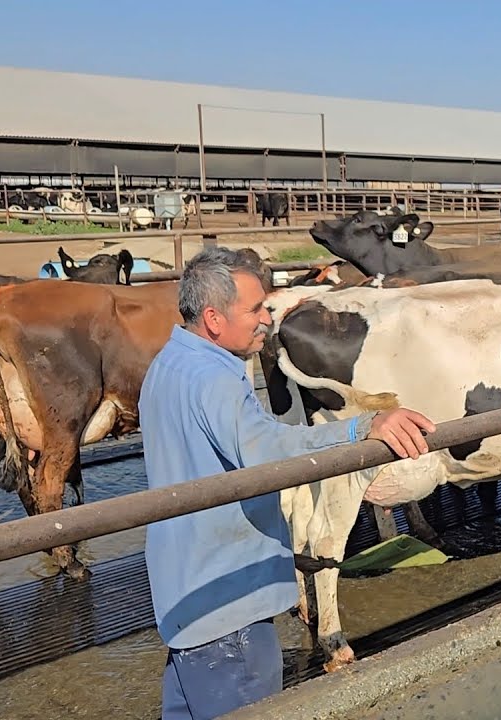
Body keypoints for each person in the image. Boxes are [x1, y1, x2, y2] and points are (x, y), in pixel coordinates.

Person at [139, 247, 436, 720]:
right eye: (254, 309)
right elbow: (268, 452)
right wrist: (360, 428)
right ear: (214, 319)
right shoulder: (215, 378)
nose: (265, 319)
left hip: (185, 592)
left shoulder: (168, 362)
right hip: (229, 605)